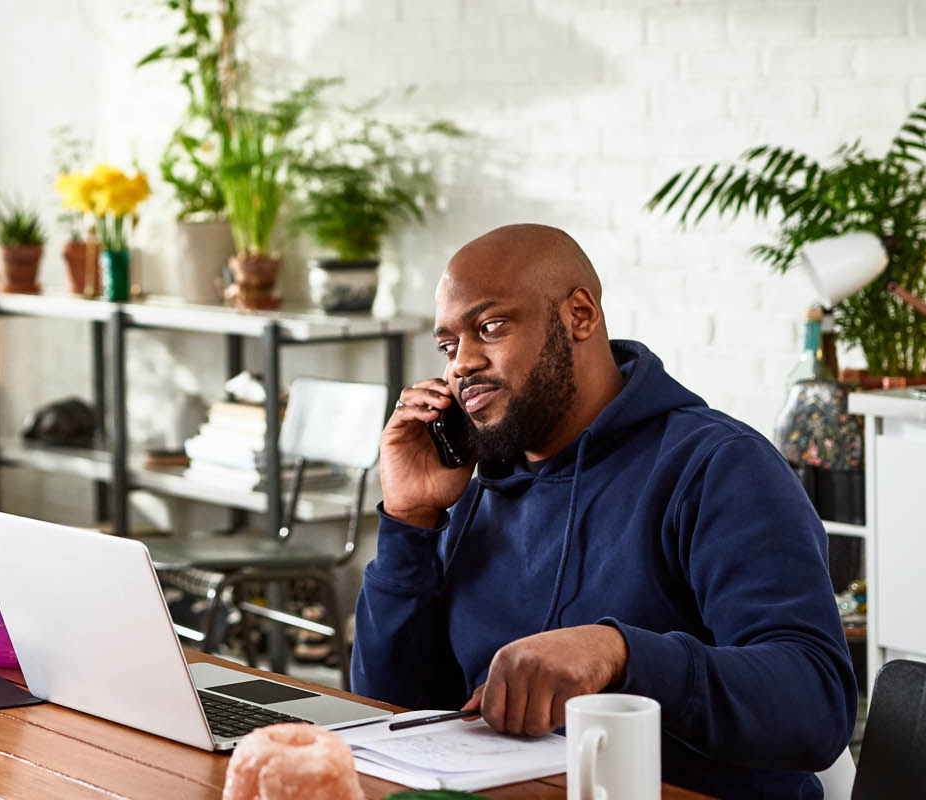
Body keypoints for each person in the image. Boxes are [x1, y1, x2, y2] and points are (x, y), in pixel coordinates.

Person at [353, 224, 855, 799]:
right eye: (448, 346)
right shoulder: (474, 490)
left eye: (490, 327)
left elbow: (815, 706)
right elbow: (389, 711)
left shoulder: (718, 467)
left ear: (580, 314)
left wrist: (619, 654)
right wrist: (410, 522)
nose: (461, 364)